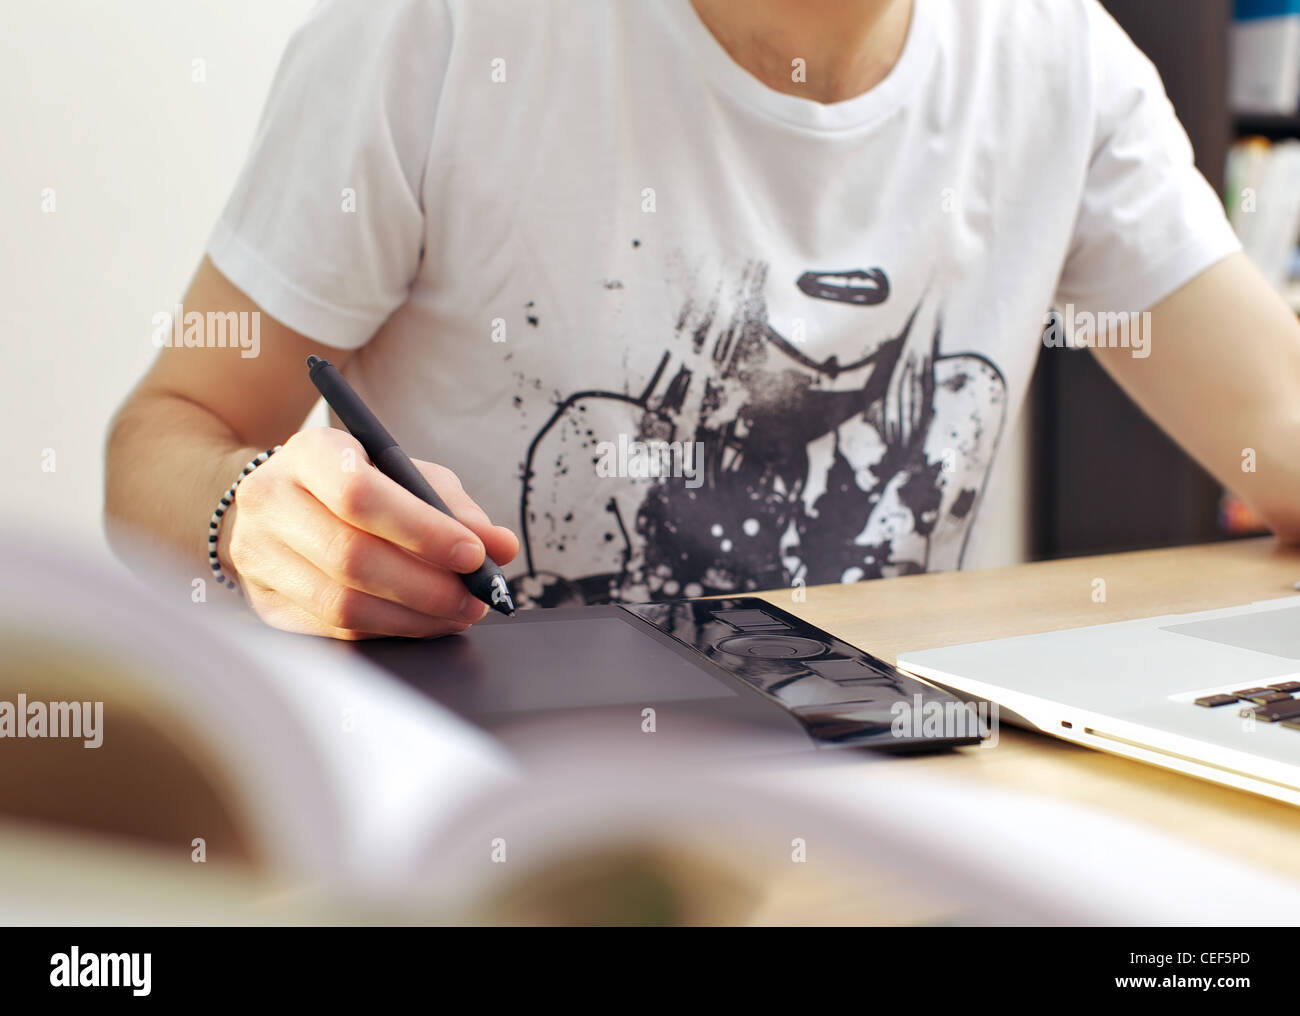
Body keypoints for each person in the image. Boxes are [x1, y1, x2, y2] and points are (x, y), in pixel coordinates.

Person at [105, 0, 1300, 639]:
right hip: (503, 818)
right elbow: (162, 438)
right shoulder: (435, 34)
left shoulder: (1061, 61)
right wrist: (250, 519)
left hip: (882, 810)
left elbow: (1280, 428)